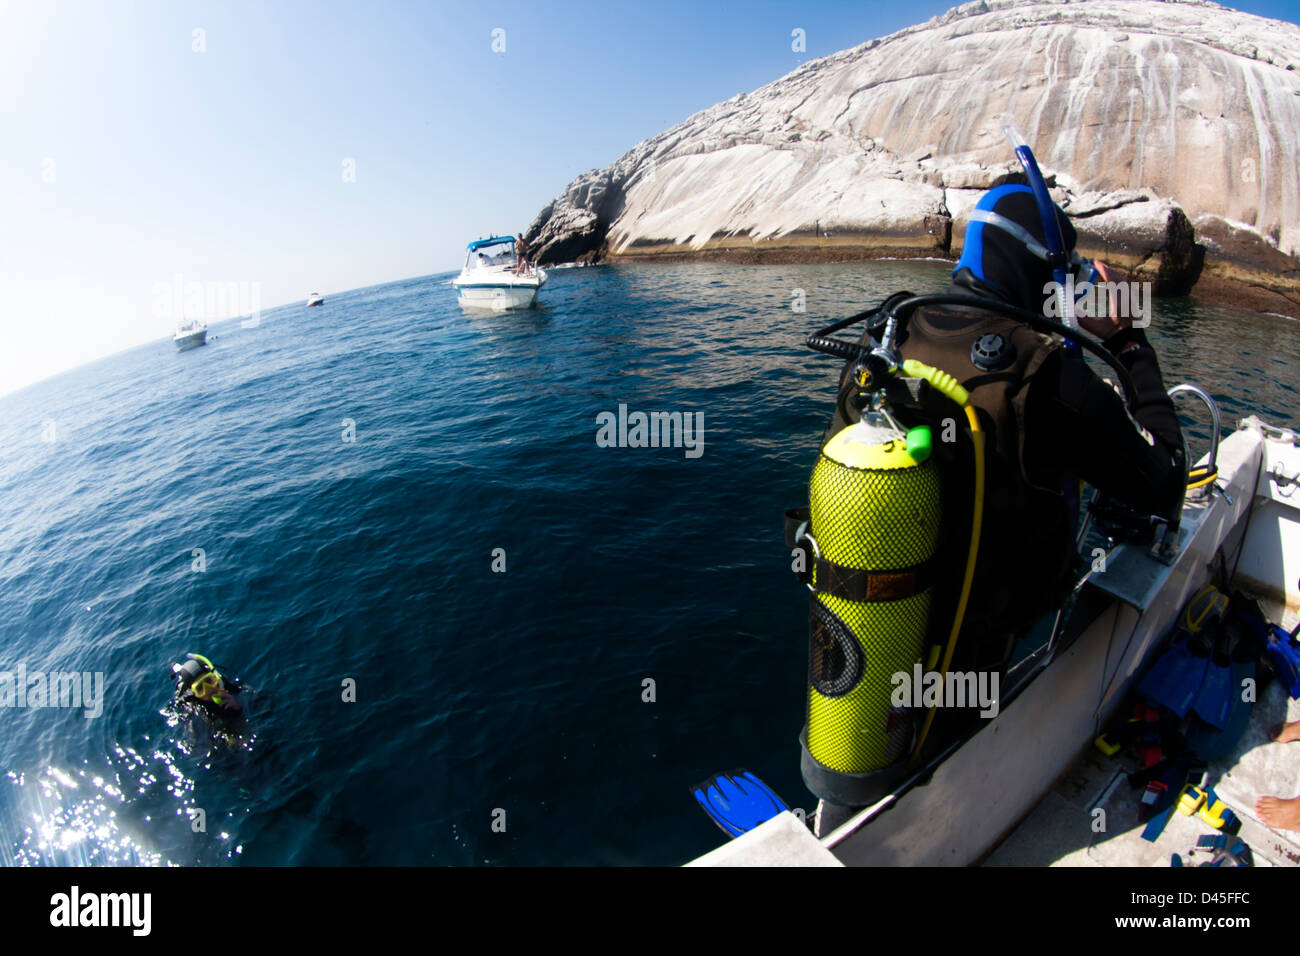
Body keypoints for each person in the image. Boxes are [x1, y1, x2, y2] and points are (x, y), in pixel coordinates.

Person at [824, 182, 1186, 681]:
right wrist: (1128, 341)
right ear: (1045, 268)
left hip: (872, 627)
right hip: (973, 651)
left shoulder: (889, 329)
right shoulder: (1043, 372)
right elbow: (1165, 483)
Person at [172, 653, 242, 717]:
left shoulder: (228, 686)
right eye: (199, 688)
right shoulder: (198, 712)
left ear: (215, 678)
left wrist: (239, 708)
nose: (208, 689)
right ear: (194, 694)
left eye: (209, 681)